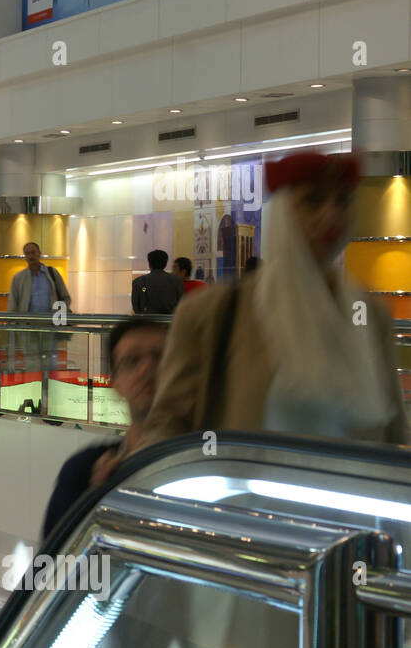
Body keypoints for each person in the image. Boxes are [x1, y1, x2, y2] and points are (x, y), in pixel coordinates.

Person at [141, 151, 407, 448]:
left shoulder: (369, 316)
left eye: (343, 201)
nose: (331, 215)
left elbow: (393, 431)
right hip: (247, 491)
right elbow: (169, 424)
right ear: (282, 213)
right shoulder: (214, 312)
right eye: (313, 201)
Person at [42, 318, 167, 541]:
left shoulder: (206, 471)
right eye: (132, 361)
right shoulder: (81, 473)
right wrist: (93, 507)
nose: (147, 368)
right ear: (114, 382)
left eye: (160, 357)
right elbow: (52, 570)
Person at [9, 241, 71, 314]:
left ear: (39, 253)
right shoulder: (18, 278)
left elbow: (65, 298)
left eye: (33, 252)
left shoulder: (53, 273)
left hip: (51, 323)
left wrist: (58, 314)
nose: (30, 256)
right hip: (27, 323)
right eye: (27, 253)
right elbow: (13, 304)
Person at [131, 249, 183, 314]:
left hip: (146, 321)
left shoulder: (139, 282)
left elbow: (136, 306)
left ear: (149, 263)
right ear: (165, 263)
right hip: (169, 321)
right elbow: (181, 304)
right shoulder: (177, 281)